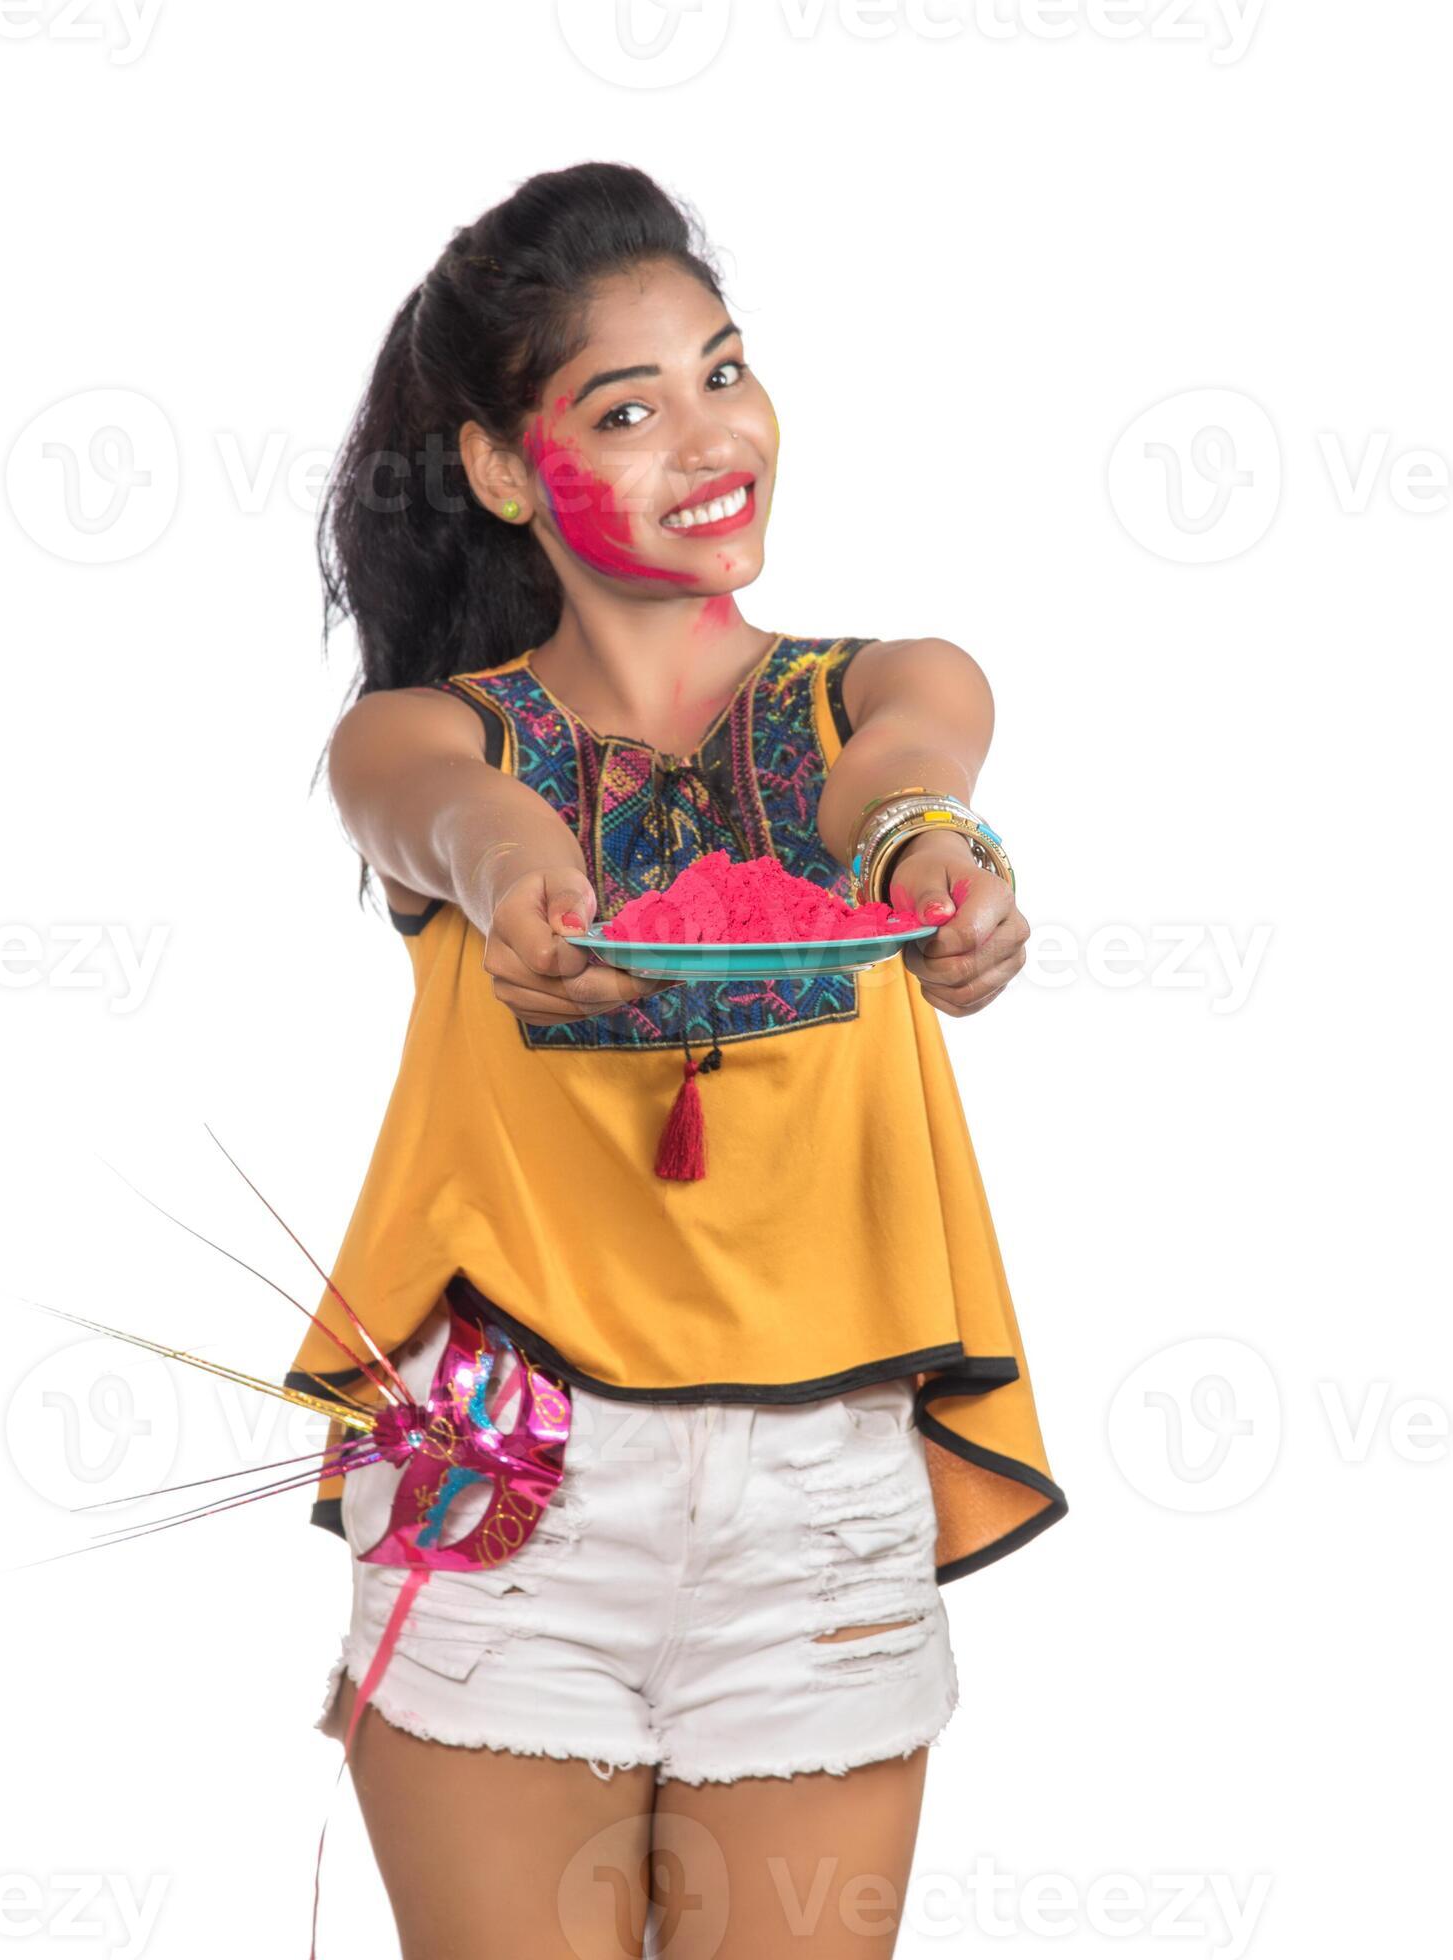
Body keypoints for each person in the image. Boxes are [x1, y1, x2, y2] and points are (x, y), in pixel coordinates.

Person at [285, 160, 1067, 1958]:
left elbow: (900, 770)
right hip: (505, 1466)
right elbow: (437, 812)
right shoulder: (425, 734)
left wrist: (937, 865)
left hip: (822, 1500)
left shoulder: (886, 680)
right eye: (625, 408)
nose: (710, 436)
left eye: (724, 372)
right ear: (499, 468)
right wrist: (508, 880)